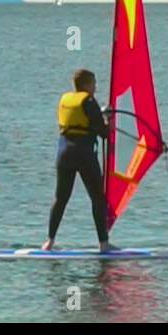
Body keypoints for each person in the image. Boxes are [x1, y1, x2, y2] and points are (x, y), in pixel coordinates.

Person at [42, 69, 118, 252]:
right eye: (93, 84)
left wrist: (99, 117)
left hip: (64, 154)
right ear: (86, 85)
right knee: (98, 199)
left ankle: (49, 242)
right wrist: (108, 119)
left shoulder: (65, 100)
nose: (95, 88)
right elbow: (104, 133)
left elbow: (81, 120)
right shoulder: (89, 101)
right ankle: (104, 244)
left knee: (61, 198)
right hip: (83, 155)